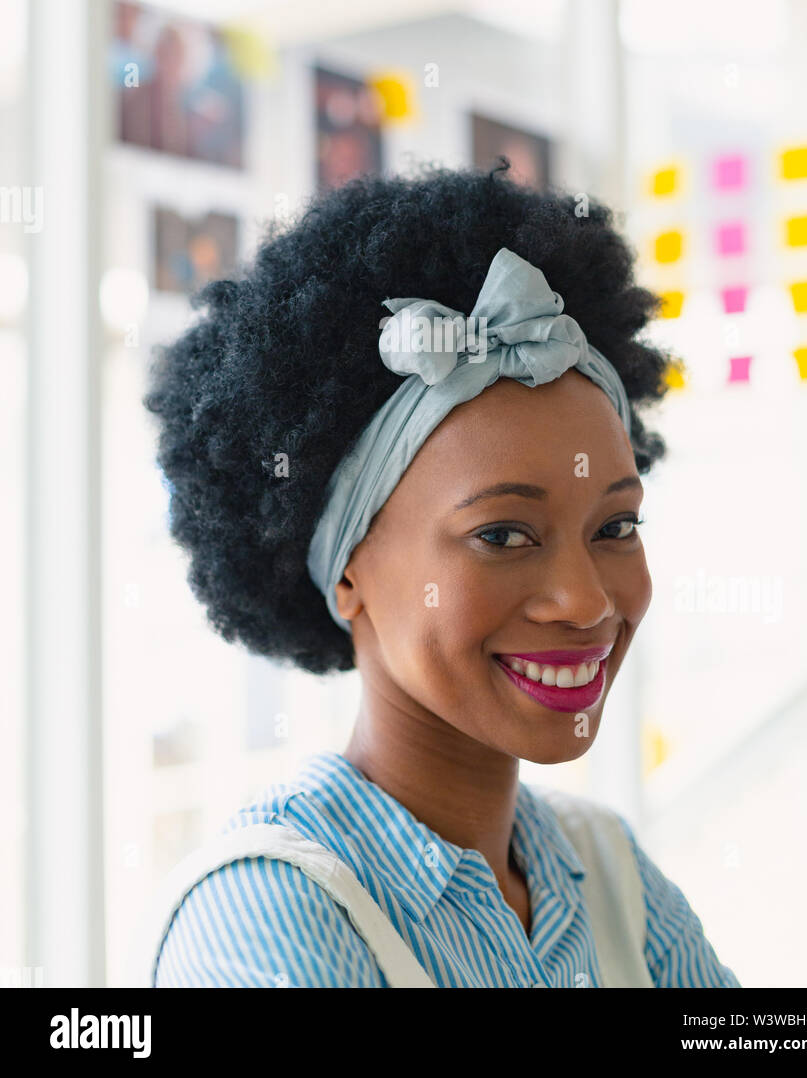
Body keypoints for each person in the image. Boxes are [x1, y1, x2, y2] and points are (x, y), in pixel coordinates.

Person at [139, 160, 741, 988]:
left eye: (616, 525)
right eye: (502, 533)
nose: (587, 600)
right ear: (347, 569)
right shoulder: (268, 916)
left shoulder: (611, 878)